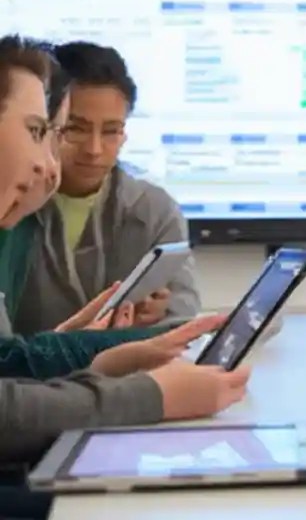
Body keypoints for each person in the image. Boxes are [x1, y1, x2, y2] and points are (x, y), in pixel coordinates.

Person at [0, 37, 248, 468]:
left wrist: (94, 357)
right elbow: (8, 411)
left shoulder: (153, 208)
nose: (48, 165)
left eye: (111, 131)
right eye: (45, 131)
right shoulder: (15, 220)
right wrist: (151, 395)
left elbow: (8, 365)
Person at [15, 41, 200, 334]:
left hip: (124, 375)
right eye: (76, 129)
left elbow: (182, 318)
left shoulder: (153, 209)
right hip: (25, 377)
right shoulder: (14, 201)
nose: (94, 149)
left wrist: (157, 315)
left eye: (112, 131)